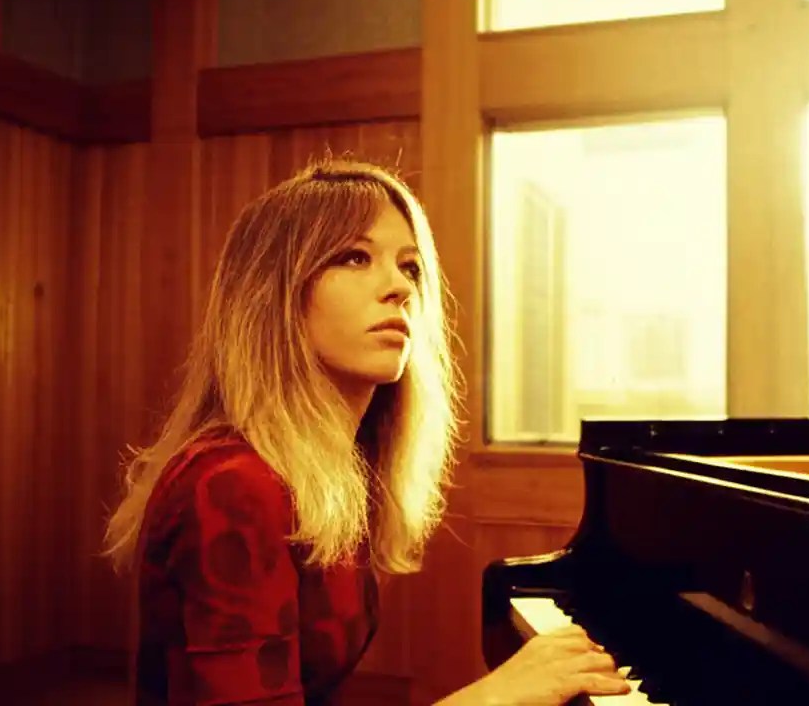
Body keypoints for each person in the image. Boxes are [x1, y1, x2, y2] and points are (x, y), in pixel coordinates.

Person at [102, 159, 631, 704]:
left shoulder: (331, 470)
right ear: (276, 294)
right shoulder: (234, 484)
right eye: (356, 257)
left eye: (411, 267)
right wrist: (497, 696)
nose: (400, 288)